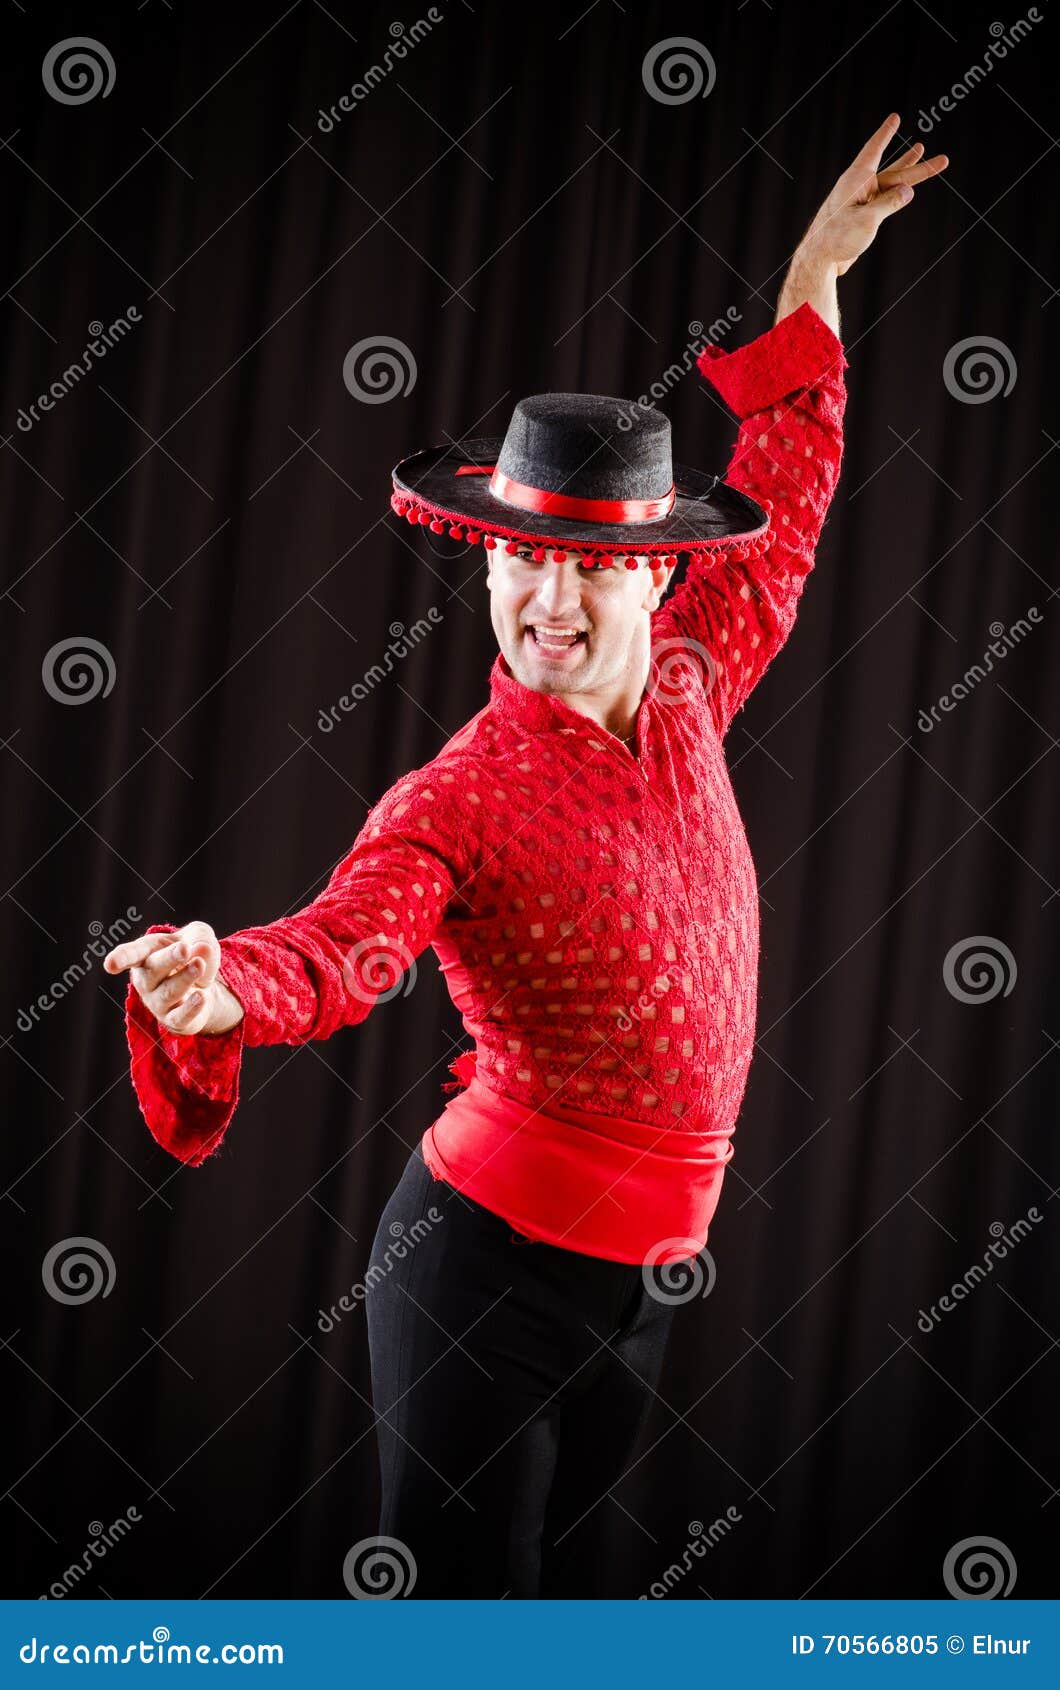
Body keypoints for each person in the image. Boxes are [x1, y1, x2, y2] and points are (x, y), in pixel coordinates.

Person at [105, 115, 948, 1599]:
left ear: (651, 570)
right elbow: (344, 946)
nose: (544, 597)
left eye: (583, 562)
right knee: (456, 1634)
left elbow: (794, 488)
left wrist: (817, 273)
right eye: (516, 559)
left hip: (639, 1282)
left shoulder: (692, 678)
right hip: (477, 1272)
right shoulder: (466, 789)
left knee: (560, 1620)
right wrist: (220, 979)